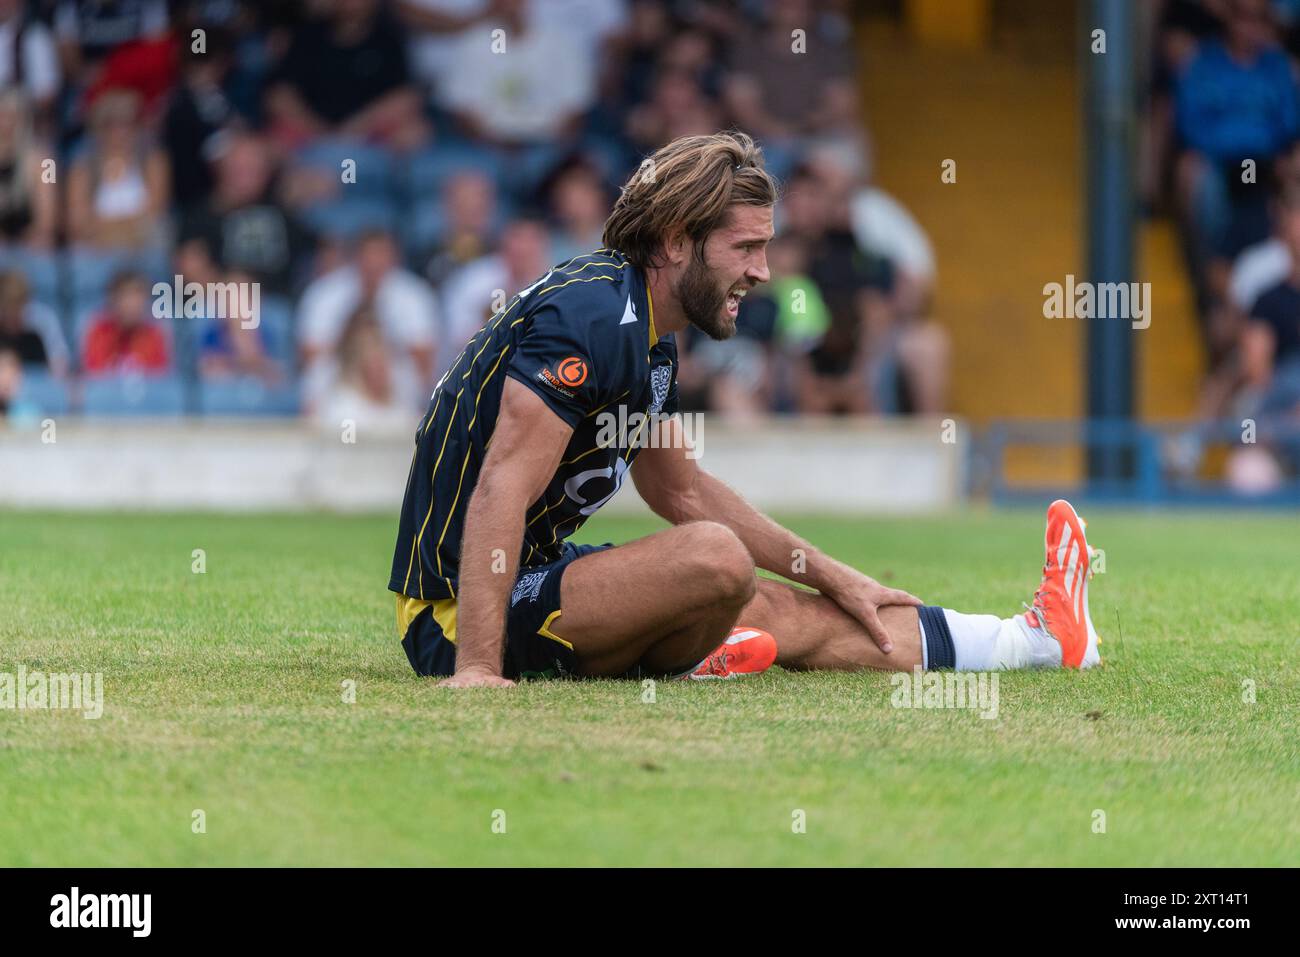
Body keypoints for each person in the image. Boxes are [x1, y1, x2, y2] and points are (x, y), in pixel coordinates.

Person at [388, 132, 1103, 687]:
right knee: (715, 558)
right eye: (747, 247)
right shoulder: (592, 316)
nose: (762, 271)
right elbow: (502, 483)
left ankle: (1034, 640)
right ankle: (689, 655)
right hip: (454, 614)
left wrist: (836, 575)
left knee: (779, 607)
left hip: (536, 576)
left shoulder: (650, 339)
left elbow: (683, 491)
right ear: (676, 240)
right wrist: (476, 667)